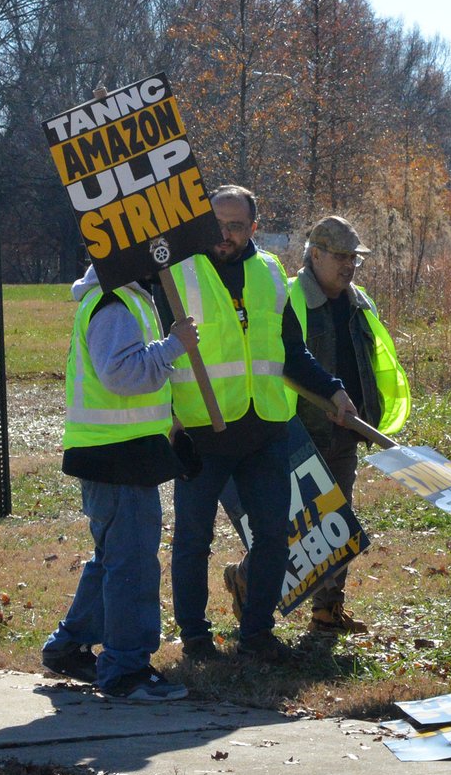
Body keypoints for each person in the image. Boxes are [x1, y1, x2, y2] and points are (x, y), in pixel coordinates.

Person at [164, 185, 354, 666]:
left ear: (253, 225)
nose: (223, 234)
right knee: (192, 540)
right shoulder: (176, 273)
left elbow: (292, 350)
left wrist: (331, 389)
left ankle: (257, 635)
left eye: (234, 225)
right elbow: (154, 356)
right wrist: (167, 423)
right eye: (216, 224)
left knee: (273, 536)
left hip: (266, 427)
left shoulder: (269, 271)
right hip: (202, 431)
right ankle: (195, 638)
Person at [42, 263, 196, 702]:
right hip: (115, 454)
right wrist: (174, 347)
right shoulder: (113, 301)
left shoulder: (126, 295)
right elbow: (120, 374)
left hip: (121, 451)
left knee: (114, 557)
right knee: (131, 563)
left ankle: (69, 644)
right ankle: (126, 669)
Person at [248, 214, 407, 636]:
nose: (349, 265)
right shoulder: (291, 298)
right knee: (294, 531)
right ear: (315, 255)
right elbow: (285, 365)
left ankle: (326, 612)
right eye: (340, 256)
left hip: (346, 431)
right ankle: (244, 581)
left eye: (353, 257)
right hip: (298, 434)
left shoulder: (358, 301)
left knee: (339, 526)